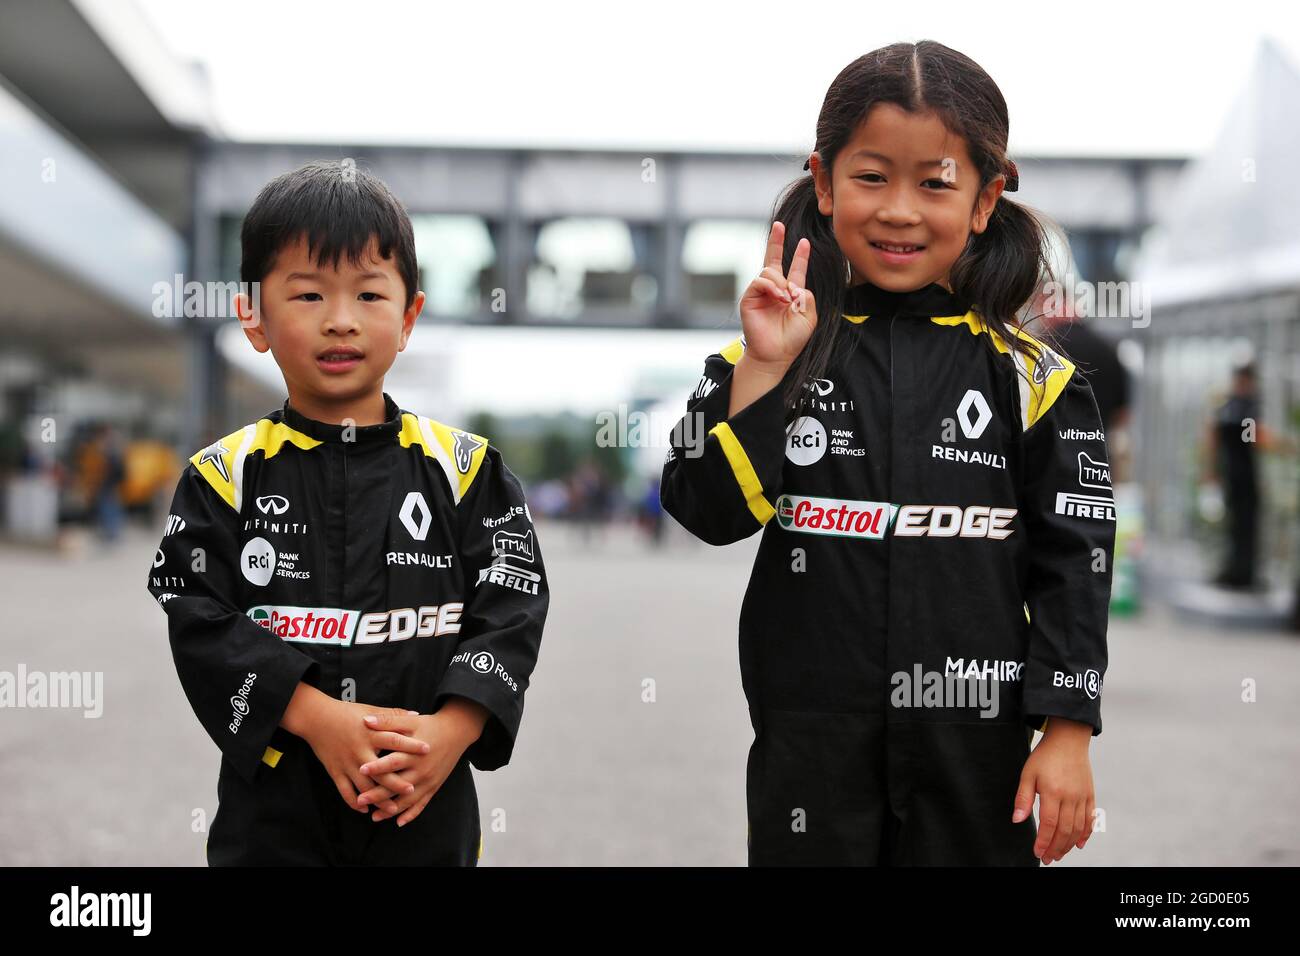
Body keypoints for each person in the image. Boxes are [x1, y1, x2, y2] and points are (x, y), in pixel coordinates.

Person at [661, 41, 1114, 866]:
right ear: (824, 182)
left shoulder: (1036, 379)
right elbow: (706, 513)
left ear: (986, 197)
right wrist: (765, 369)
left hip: (979, 746)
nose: (900, 210)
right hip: (808, 744)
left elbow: (1075, 564)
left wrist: (1068, 728)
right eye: (871, 177)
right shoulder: (760, 359)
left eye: (935, 182)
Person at [145, 161, 549, 865]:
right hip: (272, 809)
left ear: (408, 317)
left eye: (368, 293)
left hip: (423, 797)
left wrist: (450, 732)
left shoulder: (465, 470)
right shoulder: (223, 476)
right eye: (307, 295)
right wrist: (314, 716)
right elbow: (197, 618)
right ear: (253, 314)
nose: (340, 320)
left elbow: (513, 605)